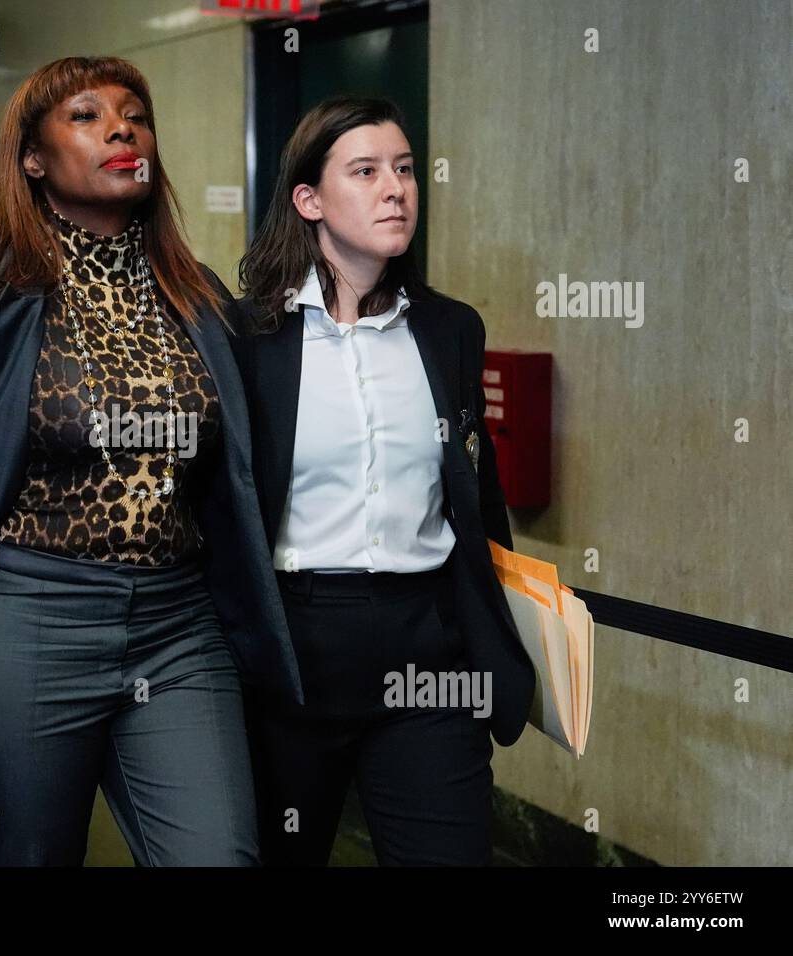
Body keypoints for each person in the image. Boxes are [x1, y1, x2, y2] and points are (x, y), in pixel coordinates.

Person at [0, 56, 302, 867]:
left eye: (135, 114)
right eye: (86, 115)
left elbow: (228, 475)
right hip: (28, 622)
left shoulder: (199, 297)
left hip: (178, 625)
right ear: (32, 158)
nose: (120, 128)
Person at [234, 96, 535, 866]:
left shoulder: (450, 330)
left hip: (425, 653)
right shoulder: (250, 338)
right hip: (293, 654)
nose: (395, 188)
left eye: (403, 169)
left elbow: (478, 496)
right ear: (309, 200)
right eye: (364, 171)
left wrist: (505, 631)